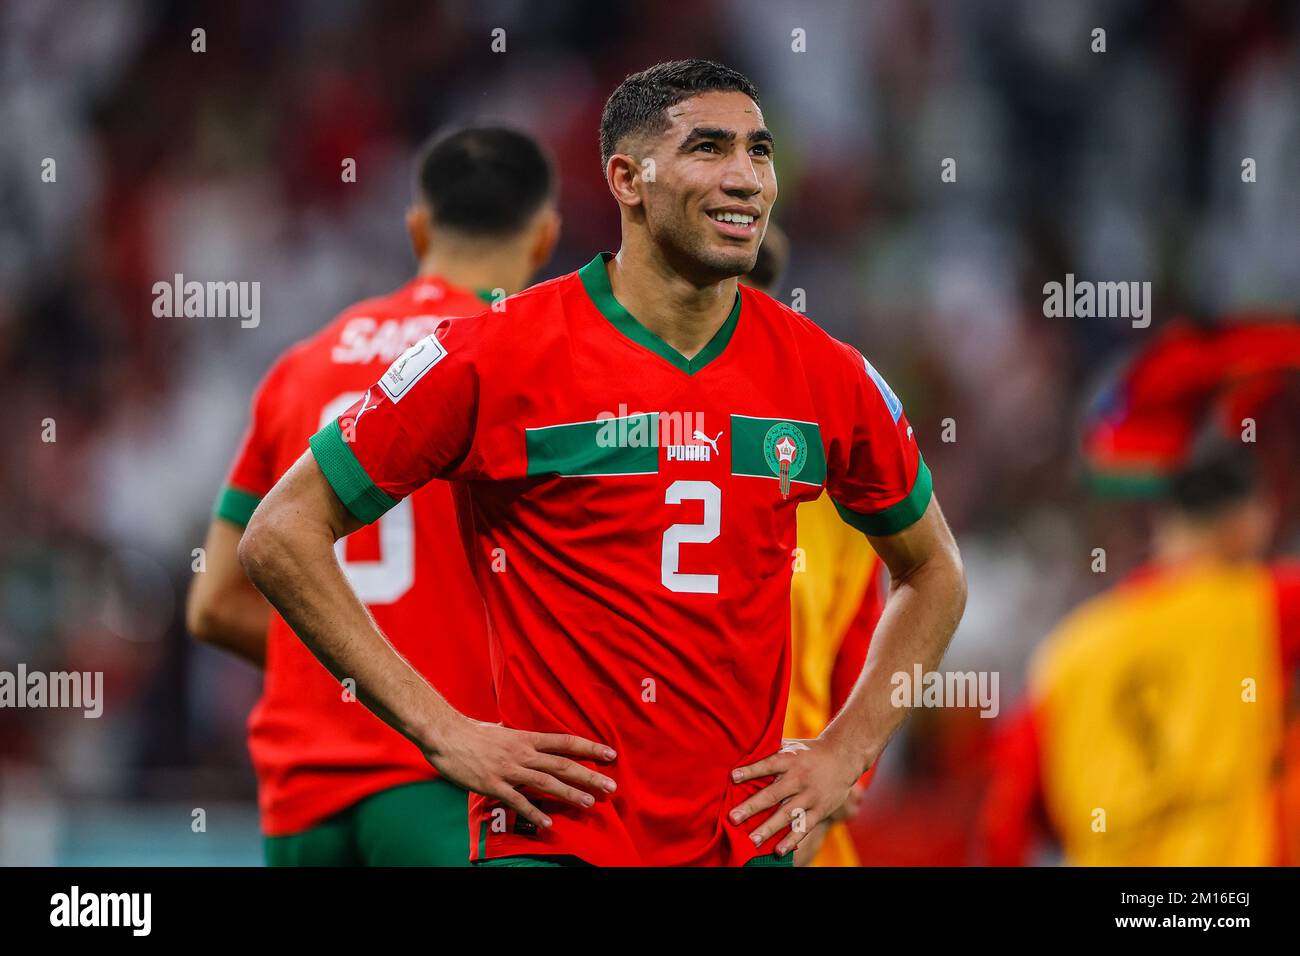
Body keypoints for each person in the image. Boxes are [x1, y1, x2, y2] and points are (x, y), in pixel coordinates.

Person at [239, 58, 966, 866]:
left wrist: (845, 750)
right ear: (626, 177)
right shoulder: (496, 352)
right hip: (555, 841)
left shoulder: (825, 372)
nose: (746, 178)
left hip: (741, 845)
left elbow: (934, 569)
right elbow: (281, 530)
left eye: (759, 152)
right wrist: (442, 730)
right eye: (709, 148)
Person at [186, 126, 560, 865]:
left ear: (417, 227)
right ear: (545, 237)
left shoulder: (299, 367)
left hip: (301, 799)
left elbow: (214, 604)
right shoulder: (525, 360)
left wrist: (347, 666)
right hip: (456, 786)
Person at [981, 440, 1300, 865]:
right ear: (1251, 521)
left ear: (1164, 525)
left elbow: (1005, 824)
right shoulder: (1264, 605)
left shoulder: (1070, 648)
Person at [741, 224, 885, 867]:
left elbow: (864, 660)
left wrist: (842, 779)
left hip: (799, 829)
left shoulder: (838, 495)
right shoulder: (623, 457)